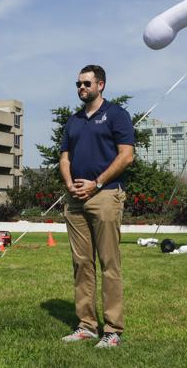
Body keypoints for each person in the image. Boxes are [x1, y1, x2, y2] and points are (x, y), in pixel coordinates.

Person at [58, 64, 135, 349]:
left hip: (105, 195)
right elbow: (64, 157)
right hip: (75, 199)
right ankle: (86, 326)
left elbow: (126, 156)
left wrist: (97, 183)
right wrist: (69, 184)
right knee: (81, 264)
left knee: (109, 264)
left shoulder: (116, 114)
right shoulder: (74, 120)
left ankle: (112, 330)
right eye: (78, 84)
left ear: (100, 85)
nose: (81, 88)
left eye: (86, 83)